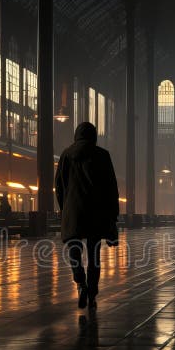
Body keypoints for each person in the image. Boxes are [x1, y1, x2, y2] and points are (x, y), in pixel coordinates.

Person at [56, 121, 119, 310]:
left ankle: (80, 282)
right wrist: (113, 215)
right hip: (96, 211)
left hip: (73, 209)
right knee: (94, 253)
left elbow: (59, 185)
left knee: (74, 248)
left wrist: (64, 208)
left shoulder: (66, 155)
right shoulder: (102, 155)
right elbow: (111, 187)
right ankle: (92, 291)